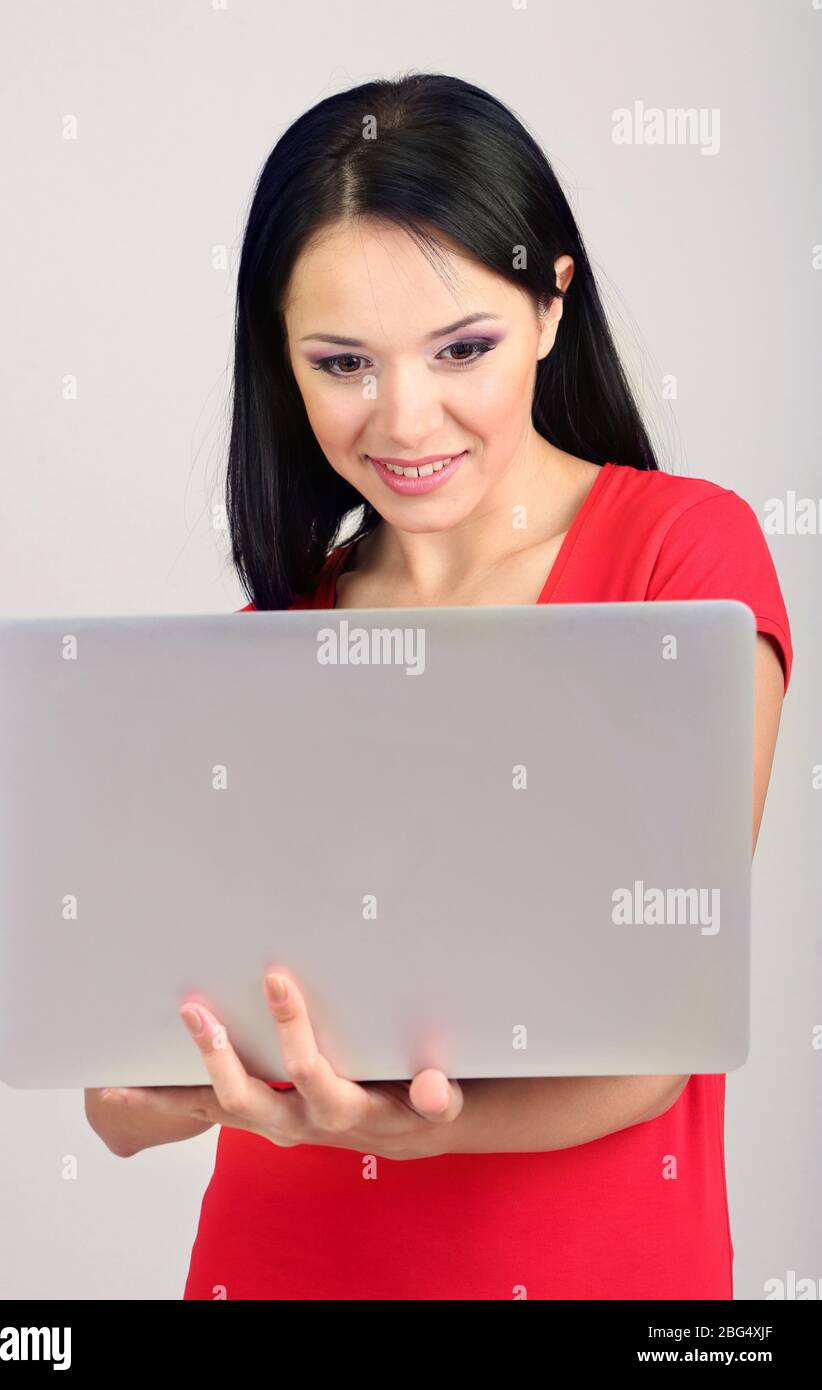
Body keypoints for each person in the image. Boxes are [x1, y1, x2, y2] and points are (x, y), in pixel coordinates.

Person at [85, 73, 792, 1300]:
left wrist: (389, 1126)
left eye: (460, 348)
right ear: (281, 359)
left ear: (550, 308)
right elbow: (118, 1109)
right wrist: (159, 1084)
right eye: (342, 362)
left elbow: (656, 1042)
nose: (405, 419)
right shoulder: (271, 635)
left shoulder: (680, 560)